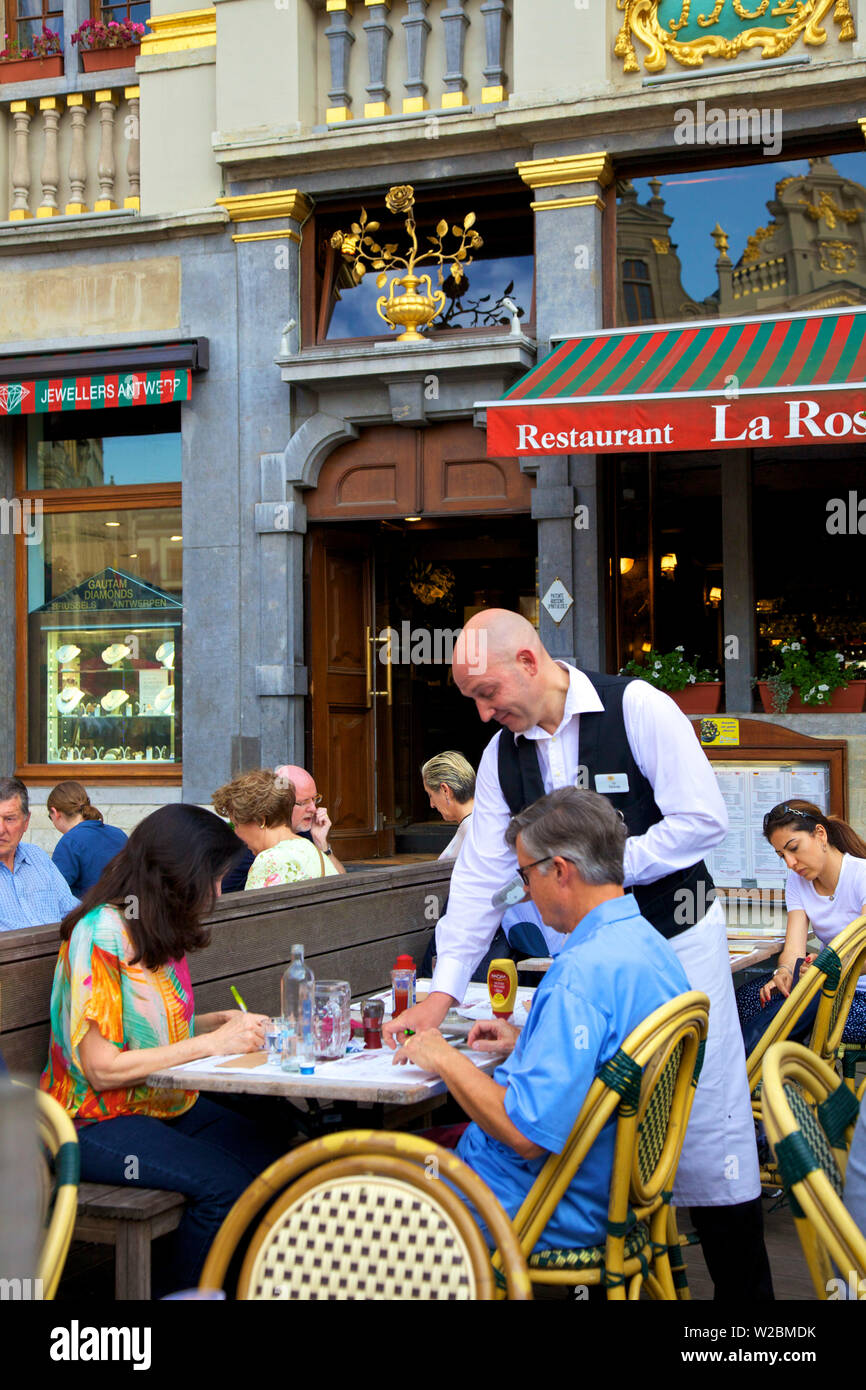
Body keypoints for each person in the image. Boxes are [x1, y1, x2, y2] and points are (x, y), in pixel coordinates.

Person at [383, 608, 772, 1301]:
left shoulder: (637, 707)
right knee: (604, 1122)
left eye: (485, 692)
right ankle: (628, 1245)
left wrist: (603, 867)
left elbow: (706, 819)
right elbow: (477, 880)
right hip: (591, 947)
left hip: (673, 939)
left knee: (710, 1140)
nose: (481, 713)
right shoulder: (505, 755)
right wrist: (440, 996)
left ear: (529, 661)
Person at [395, 787, 691, 1249]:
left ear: (560, 871)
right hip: (618, 1190)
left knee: (330, 1187)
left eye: (525, 874)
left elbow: (524, 1135)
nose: (525, 890)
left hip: (540, 1199)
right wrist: (528, 1039)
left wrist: (442, 1057)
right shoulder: (650, 946)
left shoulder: (579, 974)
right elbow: (611, 1055)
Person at [40, 804, 287, 1294]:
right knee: (224, 1187)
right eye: (213, 879)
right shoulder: (101, 933)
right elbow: (103, 1067)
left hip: (161, 1104)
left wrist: (212, 1022)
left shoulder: (155, 927)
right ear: (180, 875)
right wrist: (209, 1043)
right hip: (94, 1120)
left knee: (276, 1152)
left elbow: (144, 1032)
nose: (218, 892)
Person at [737, 800, 866, 1055]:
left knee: (799, 1014)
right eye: (782, 855)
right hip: (822, 985)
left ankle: (755, 1073)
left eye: (793, 848)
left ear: (820, 834)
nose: (790, 862)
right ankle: (770, 1075)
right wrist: (783, 972)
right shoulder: (797, 882)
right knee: (746, 1000)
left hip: (856, 992)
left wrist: (828, 967)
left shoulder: (860, 875)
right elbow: (794, 947)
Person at [220, 762, 346, 890]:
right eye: (303, 802)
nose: (314, 809)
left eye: (236, 824)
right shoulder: (309, 848)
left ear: (260, 820)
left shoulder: (269, 859)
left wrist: (323, 845)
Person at [0, 776, 79, 931]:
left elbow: (71, 910)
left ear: (26, 821)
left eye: (9, 819)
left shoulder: (37, 857)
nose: (1, 830)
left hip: (55, 952)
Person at [47, 780, 128, 898]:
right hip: (127, 911)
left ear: (55, 812)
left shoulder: (69, 842)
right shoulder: (119, 834)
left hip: (90, 914)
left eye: (50, 817)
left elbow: (55, 893)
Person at [421, 751, 475, 861]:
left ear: (445, 790)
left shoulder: (472, 830)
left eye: (430, 795)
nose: (431, 804)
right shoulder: (489, 821)